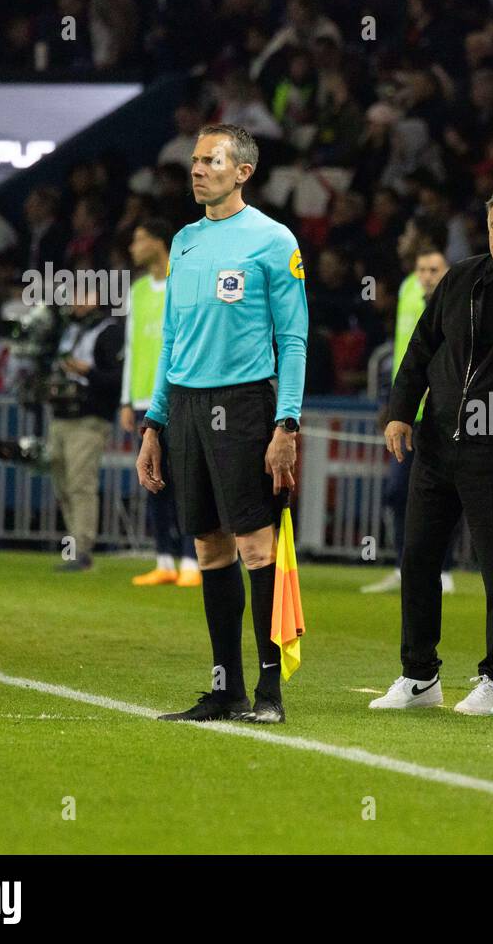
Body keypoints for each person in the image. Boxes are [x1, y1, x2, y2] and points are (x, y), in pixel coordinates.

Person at [368, 184, 493, 715]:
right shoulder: (461, 278)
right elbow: (420, 346)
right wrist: (399, 412)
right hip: (435, 445)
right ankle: (418, 676)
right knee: (418, 559)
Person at [137, 123, 308, 725]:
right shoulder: (182, 241)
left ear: (243, 172)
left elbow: (292, 339)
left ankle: (269, 694)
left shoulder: (272, 240)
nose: (197, 169)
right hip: (184, 406)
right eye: (194, 160)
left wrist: (286, 422)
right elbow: (172, 341)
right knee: (209, 547)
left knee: (256, 547)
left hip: (243, 406)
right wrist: (154, 422)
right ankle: (225, 688)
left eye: (211, 160)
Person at [361, 239, 457, 595]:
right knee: (398, 492)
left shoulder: (460, 301)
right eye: (422, 271)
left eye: (434, 271)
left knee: (440, 495)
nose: (427, 277)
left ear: (447, 272)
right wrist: (393, 403)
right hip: (408, 415)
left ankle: (443, 569)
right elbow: (406, 353)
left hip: (443, 415)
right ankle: (406, 567)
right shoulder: (407, 293)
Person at [120, 218, 201, 587]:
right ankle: (164, 559)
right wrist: (125, 399)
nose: (133, 248)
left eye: (139, 239)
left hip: (178, 394)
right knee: (153, 480)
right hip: (142, 398)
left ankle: (191, 559)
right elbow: (133, 345)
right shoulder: (136, 290)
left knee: (185, 479)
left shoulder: (183, 280)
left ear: (158, 242)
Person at [47, 286, 124, 572]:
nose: (76, 302)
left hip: (89, 417)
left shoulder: (109, 332)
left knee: (81, 484)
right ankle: (74, 547)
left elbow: (118, 377)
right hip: (61, 415)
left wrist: (87, 371)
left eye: (84, 296)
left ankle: (82, 552)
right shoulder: (69, 330)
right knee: (63, 484)